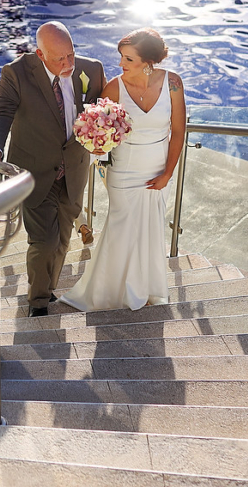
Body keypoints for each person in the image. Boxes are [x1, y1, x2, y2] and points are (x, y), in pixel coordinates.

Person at [60, 28, 187, 312]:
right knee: (120, 228)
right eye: (121, 57)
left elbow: (178, 132)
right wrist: (96, 146)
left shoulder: (173, 84)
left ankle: (145, 288)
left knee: (149, 229)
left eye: (128, 59)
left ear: (148, 61)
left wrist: (167, 173)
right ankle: (106, 292)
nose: (121, 64)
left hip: (158, 168)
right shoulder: (114, 89)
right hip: (122, 173)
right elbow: (97, 130)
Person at [0, 21, 106, 317]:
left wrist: (104, 136)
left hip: (74, 171)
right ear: (40, 54)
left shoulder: (91, 70)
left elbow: (101, 109)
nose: (68, 63)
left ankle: (48, 288)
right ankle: (38, 302)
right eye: (59, 58)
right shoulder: (16, 73)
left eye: (71, 54)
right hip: (35, 172)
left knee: (63, 239)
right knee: (44, 240)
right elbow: (1, 112)